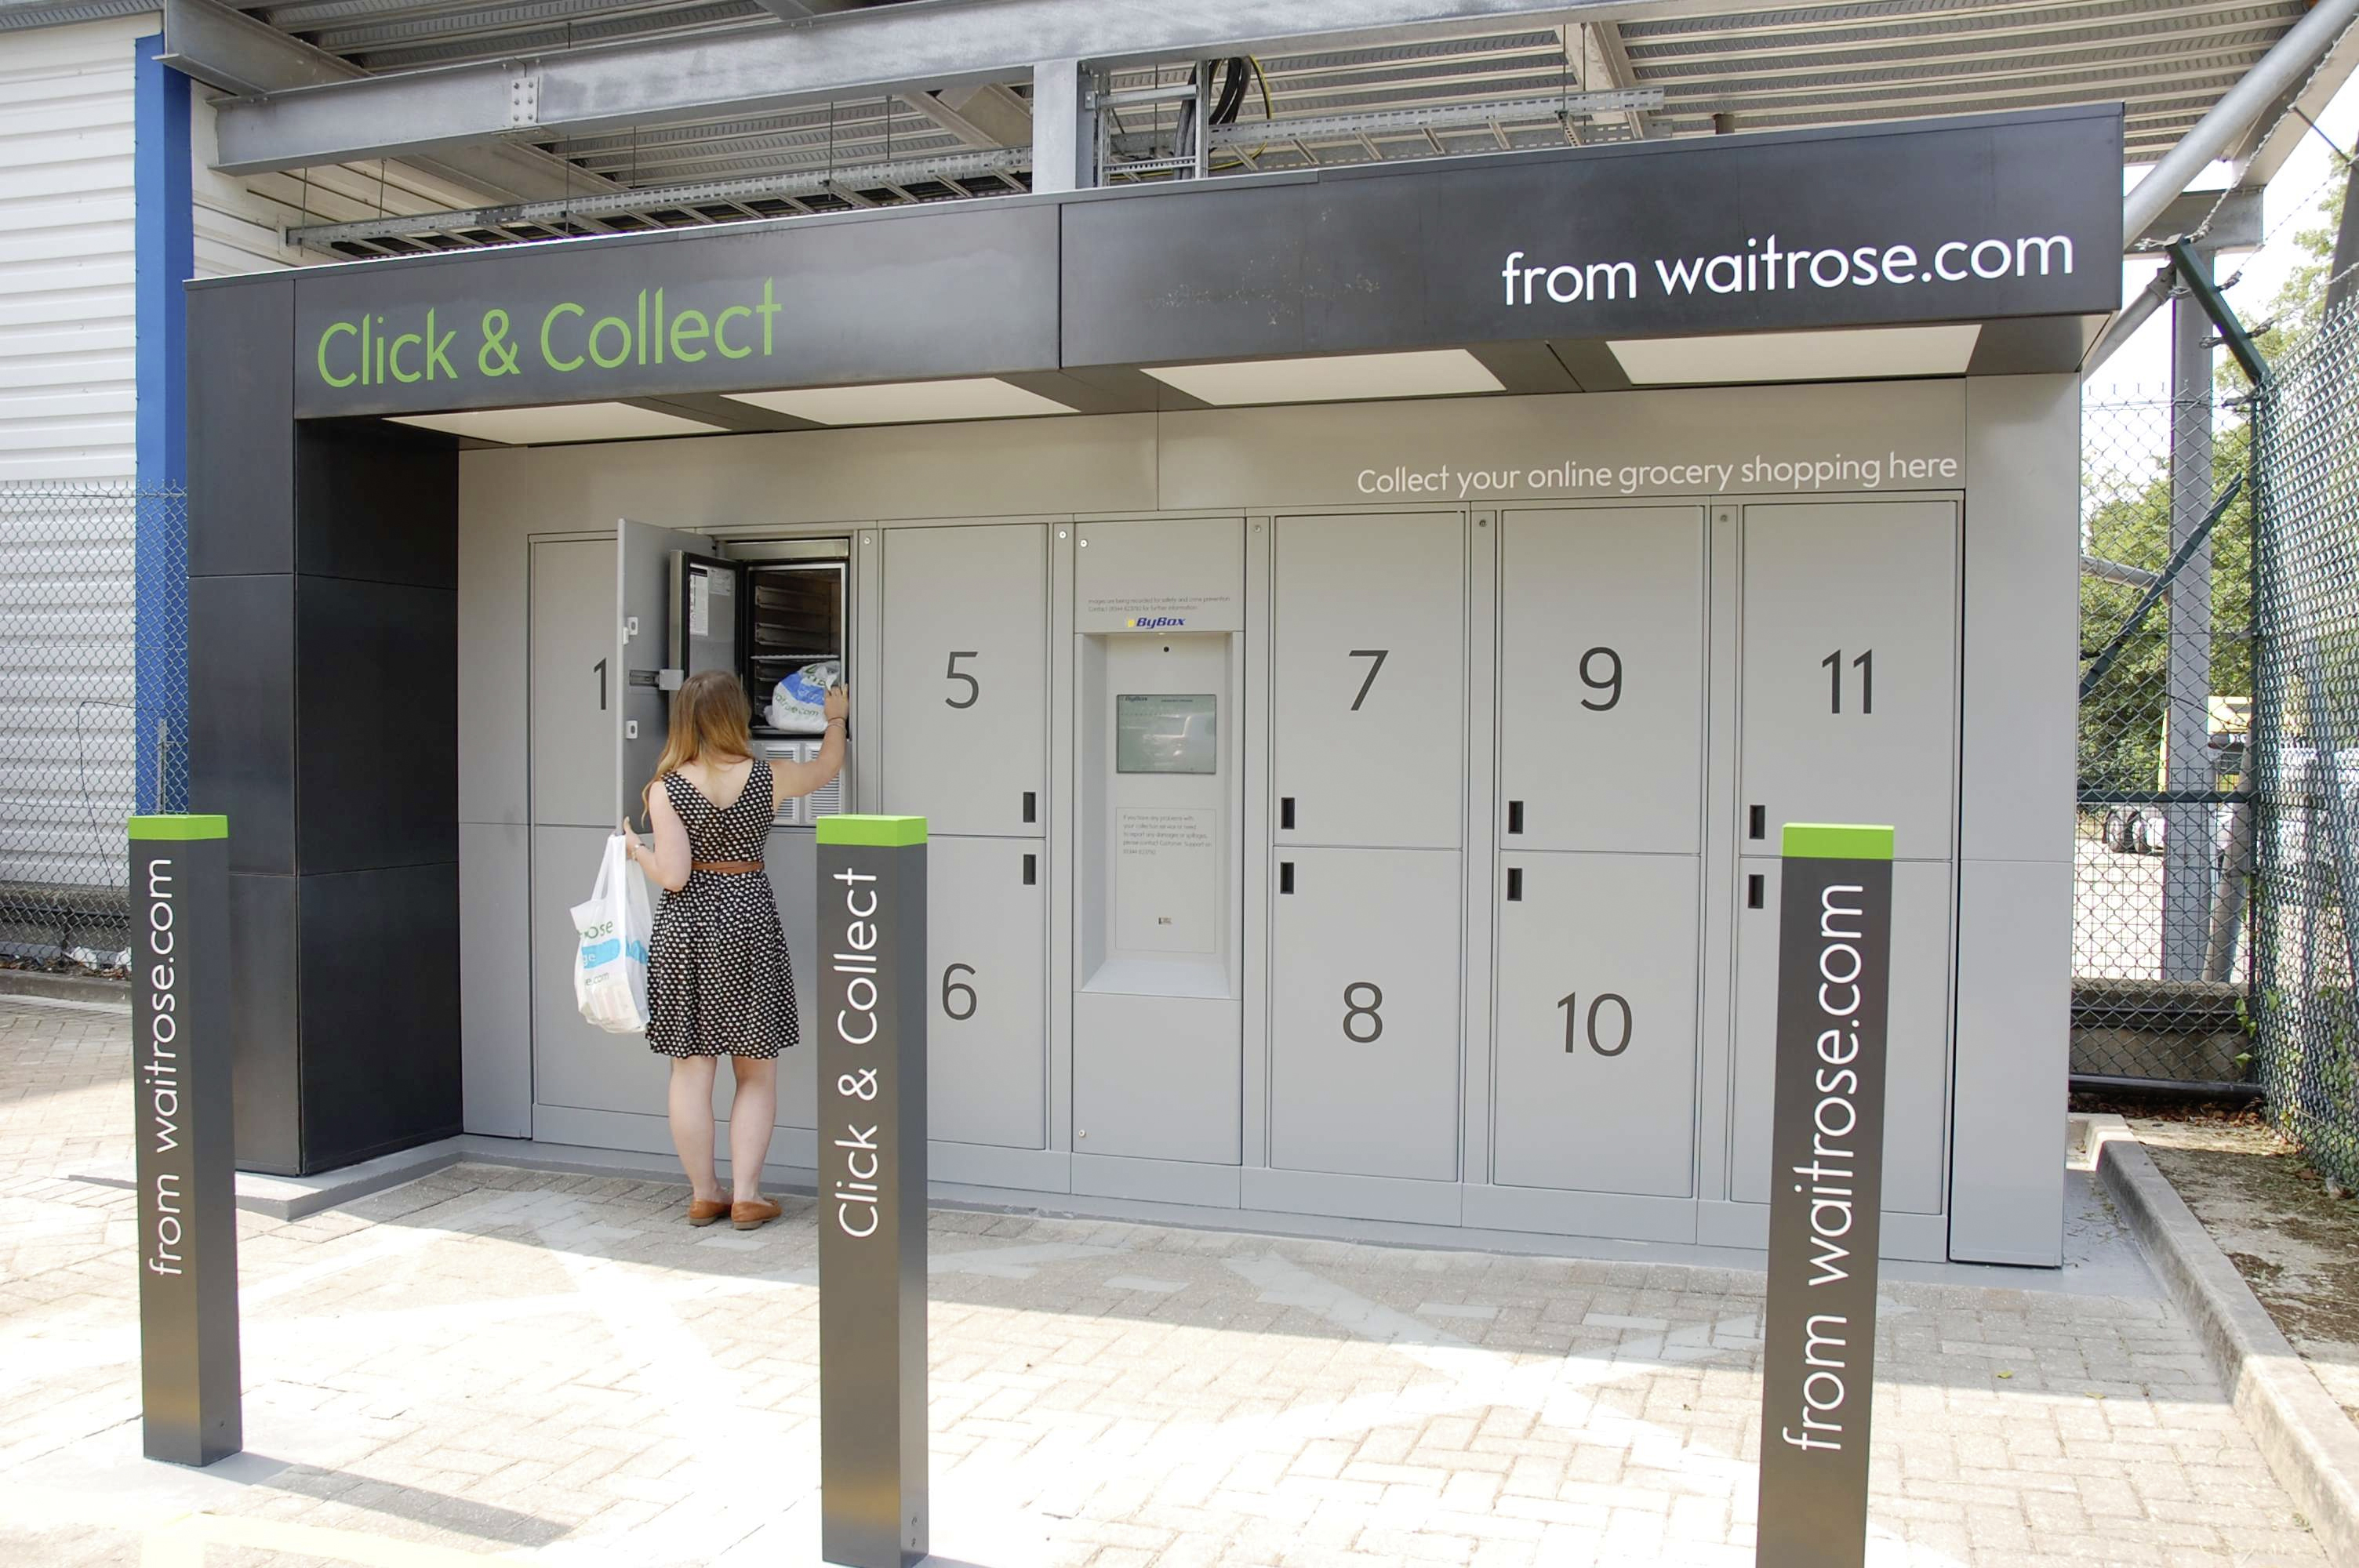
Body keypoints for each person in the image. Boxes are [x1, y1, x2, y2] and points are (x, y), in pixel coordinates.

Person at [622, 670, 848, 1229]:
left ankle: (705, 1194)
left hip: (688, 931)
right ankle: (747, 1195)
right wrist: (836, 719)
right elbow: (827, 769)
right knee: (756, 1073)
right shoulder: (766, 778)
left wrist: (635, 850)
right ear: (734, 715)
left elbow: (673, 876)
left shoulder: (665, 788)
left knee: (692, 1072)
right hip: (749, 920)